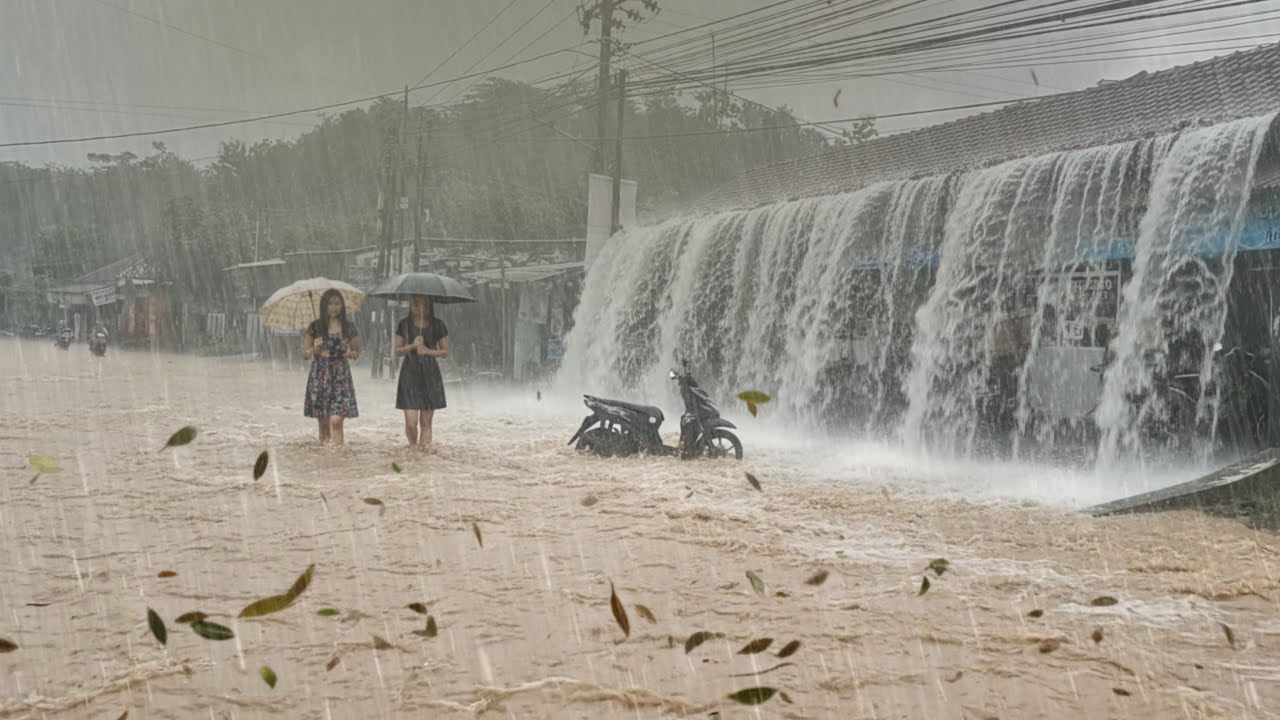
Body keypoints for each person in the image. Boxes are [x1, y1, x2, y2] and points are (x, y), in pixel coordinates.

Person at [303, 289, 360, 445]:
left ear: (342, 305)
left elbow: (356, 353)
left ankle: (338, 456)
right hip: (320, 375)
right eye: (330, 303)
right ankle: (326, 462)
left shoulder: (349, 327)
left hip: (340, 375)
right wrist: (314, 349)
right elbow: (305, 354)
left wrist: (350, 353)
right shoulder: (315, 327)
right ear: (324, 306)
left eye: (337, 303)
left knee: (336, 420)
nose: (334, 307)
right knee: (323, 423)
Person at [393, 295, 449, 449]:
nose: (416, 307)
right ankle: (413, 448)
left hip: (430, 374)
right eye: (413, 304)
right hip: (409, 374)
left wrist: (428, 351)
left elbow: (445, 352)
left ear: (428, 305)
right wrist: (411, 346)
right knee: (411, 423)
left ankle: (423, 456)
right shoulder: (404, 324)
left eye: (419, 304)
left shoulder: (438, 325)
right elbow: (397, 351)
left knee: (426, 422)